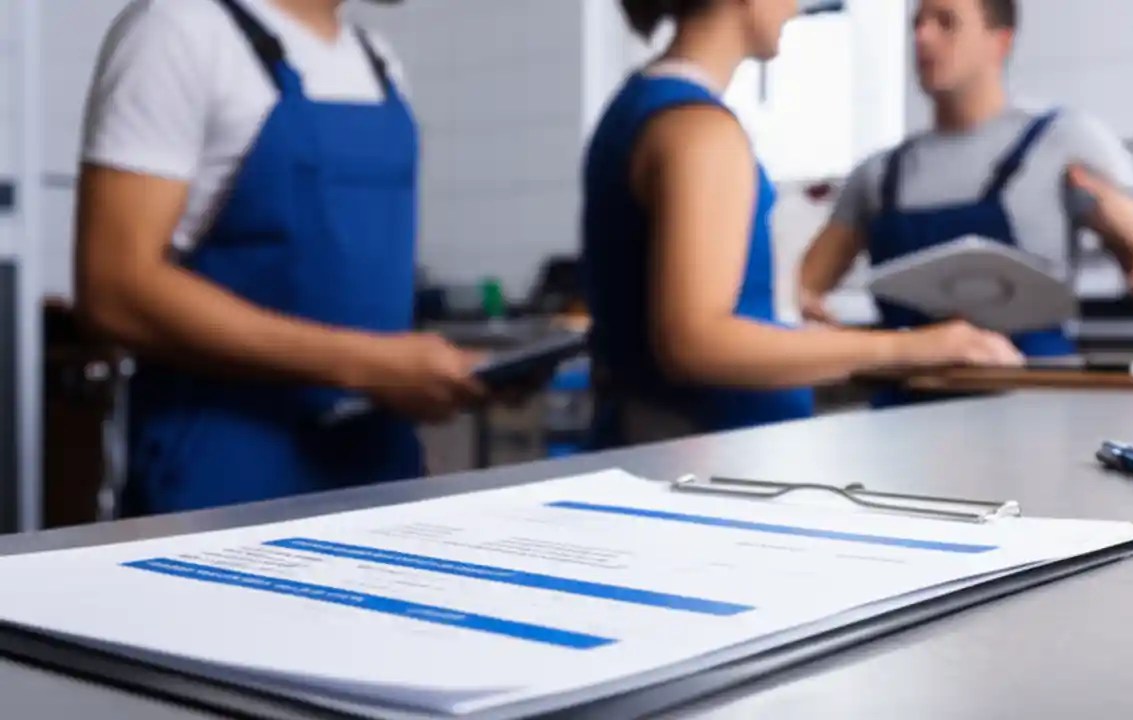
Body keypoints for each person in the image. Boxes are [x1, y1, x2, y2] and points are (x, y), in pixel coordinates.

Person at [75, 0, 485, 517]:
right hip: (223, 477)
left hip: (376, 471)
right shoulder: (178, 31)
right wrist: (366, 364)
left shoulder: (376, 60)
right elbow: (115, 288)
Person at [581, 0, 1025, 449]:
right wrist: (912, 348)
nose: (795, 8)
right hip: (696, 457)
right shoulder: (699, 131)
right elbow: (693, 343)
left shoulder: (640, 104)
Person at [800, 0, 1133, 406]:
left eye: (946, 22)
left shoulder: (1064, 143)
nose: (923, 37)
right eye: (917, 24)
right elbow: (800, 295)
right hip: (901, 420)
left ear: (999, 42)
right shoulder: (878, 175)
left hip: (1034, 410)